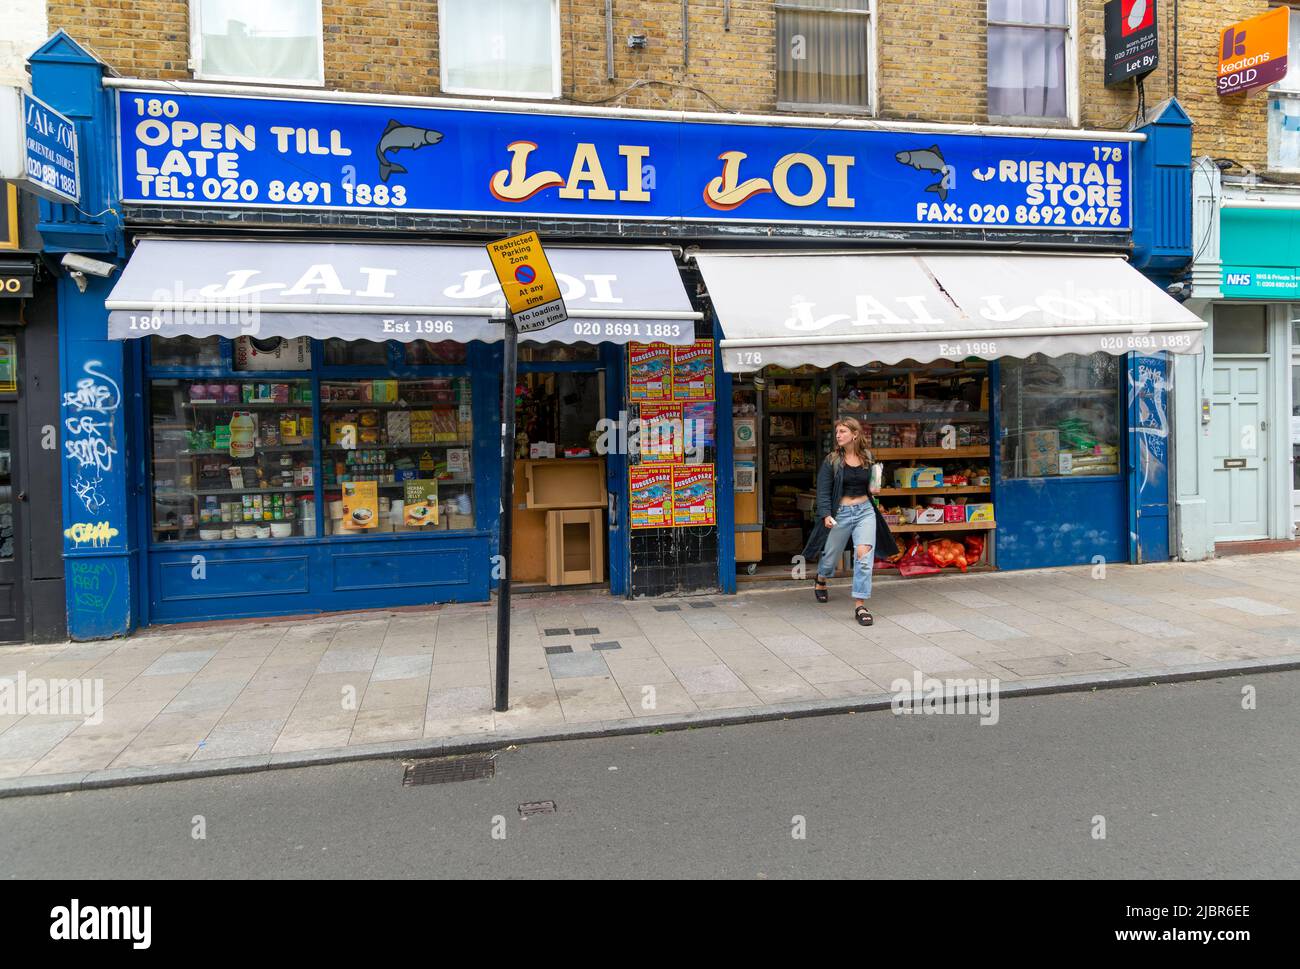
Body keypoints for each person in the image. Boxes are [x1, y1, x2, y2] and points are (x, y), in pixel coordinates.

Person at [801, 418, 898, 626]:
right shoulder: (832, 460)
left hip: (865, 512)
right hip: (841, 513)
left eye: (843, 431)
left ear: (855, 434)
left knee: (864, 557)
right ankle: (821, 578)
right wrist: (826, 514)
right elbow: (823, 490)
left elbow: (874, 484)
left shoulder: (868, 457)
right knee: (831, 557)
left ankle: (860, 605)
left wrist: (876, 488)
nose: (838, 435)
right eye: (837, 432)